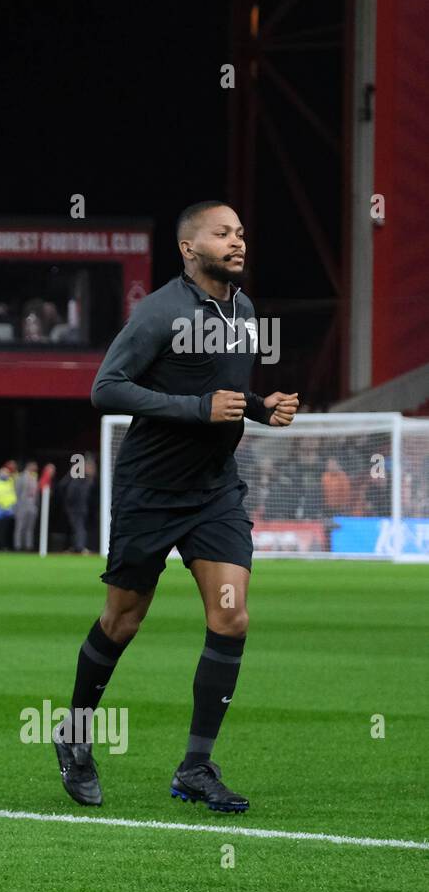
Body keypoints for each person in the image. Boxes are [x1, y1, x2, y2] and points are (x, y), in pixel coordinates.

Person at [55, 200, 298, 812]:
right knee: (123, 619)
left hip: (214, 491)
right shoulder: (161, 311)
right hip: (150, 492)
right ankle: (75, 733)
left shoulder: (243, 310)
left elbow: (221, 391)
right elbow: (105, 387)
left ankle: (195, 767)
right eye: (223, 233)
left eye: (241, 232)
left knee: (231, 617)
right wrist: (197, 410)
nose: (237, 241)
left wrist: (260, 407)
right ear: (189, 249)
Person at [13, 460, 40, 551]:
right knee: (20, 526)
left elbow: (36, 494)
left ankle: (28, 546)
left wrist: (36, 506)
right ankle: (18, 546)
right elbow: (17, 492)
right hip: (22, 505)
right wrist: (18, 505)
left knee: (30, 527)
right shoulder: (21, 477)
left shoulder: (35, 478)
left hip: (32, 506)